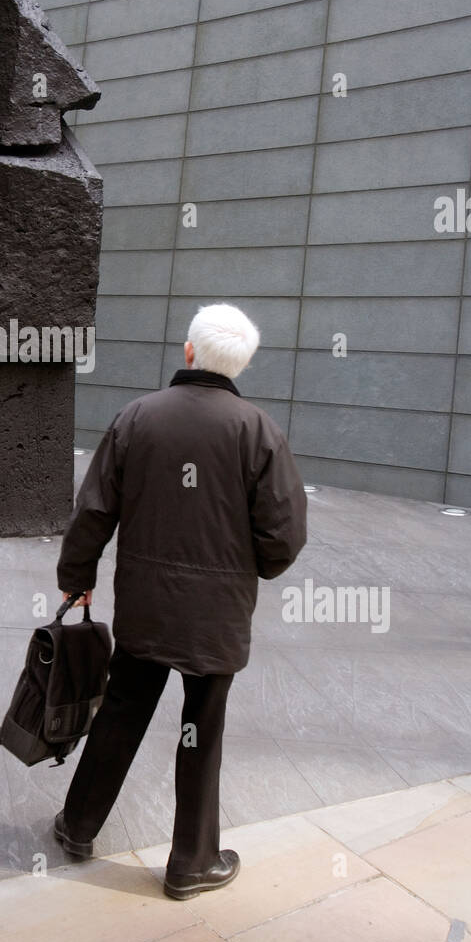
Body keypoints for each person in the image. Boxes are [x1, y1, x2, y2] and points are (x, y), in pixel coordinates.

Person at [55, 303, 307, 898]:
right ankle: (191, 863)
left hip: (146, 602)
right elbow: (284, 533)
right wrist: (258, 568)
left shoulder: (138, 417)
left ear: (189, 352)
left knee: (122, 709)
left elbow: (95, 508)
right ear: (240, 362)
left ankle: (79, 825)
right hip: (217, 615)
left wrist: (77, 574)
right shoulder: (259, 431)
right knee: (203, 728)